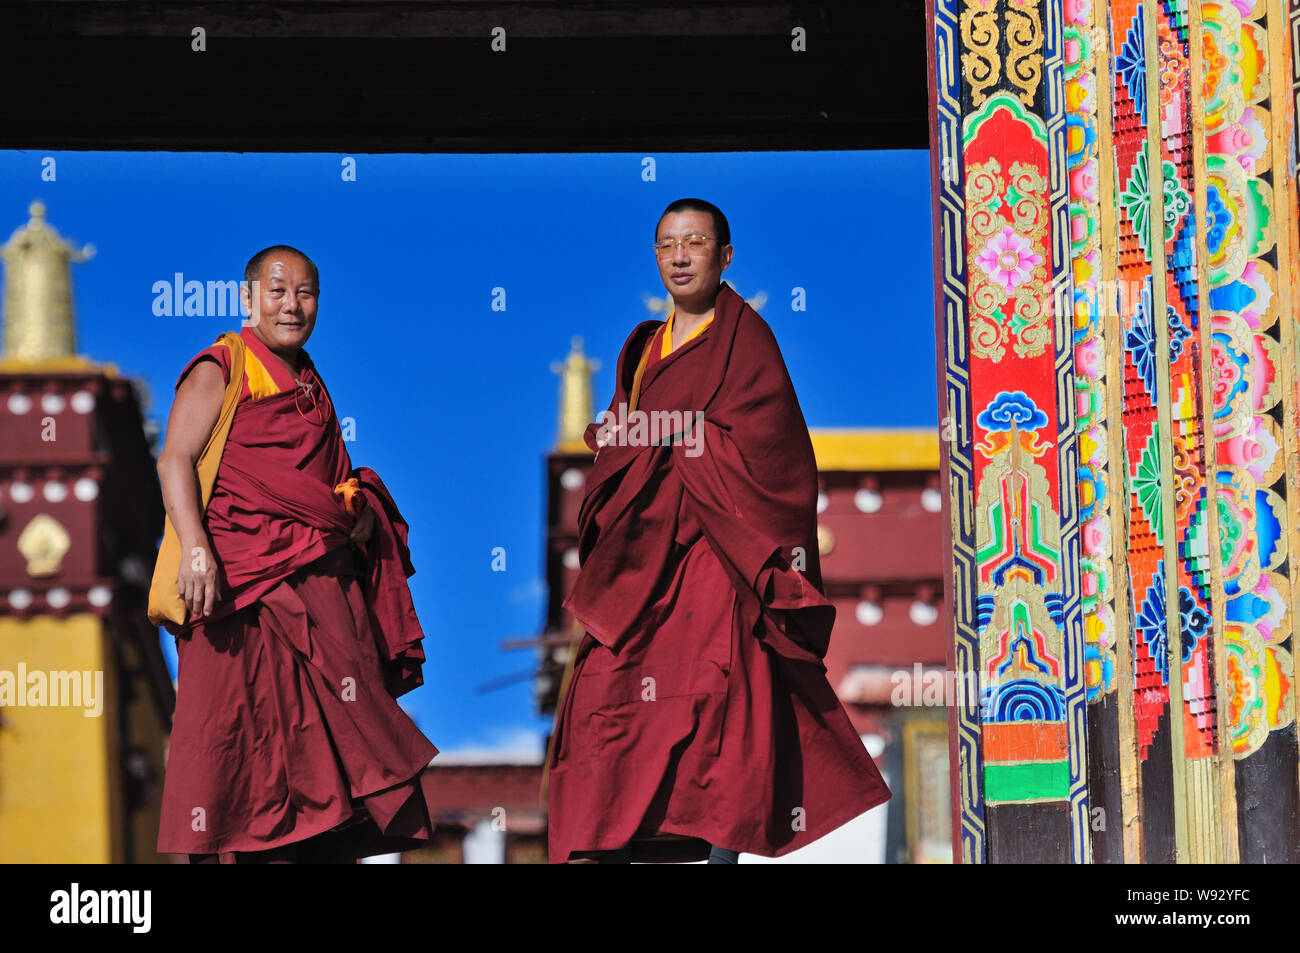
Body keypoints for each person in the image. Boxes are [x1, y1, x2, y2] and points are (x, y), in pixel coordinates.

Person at [546, 199, 892, 864]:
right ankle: (608, 840)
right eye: (668, 244)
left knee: (715, 701)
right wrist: (651, 442)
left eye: (695, 243)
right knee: (603, 696)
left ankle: (716, 851)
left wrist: (687, 443)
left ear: (724, 255)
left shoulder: (746, 339)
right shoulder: (643, 350)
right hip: (641, 558)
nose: (680, 256)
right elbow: (615, 442)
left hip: (713, 550)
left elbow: (778, 452)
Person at [152, 245, 440, 863]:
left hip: (319, 584)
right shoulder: (221, 367)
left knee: (332, 737)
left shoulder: (310, 383)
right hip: (240, 585)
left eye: (305, 292)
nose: (292, 304)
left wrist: (358, 512)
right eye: (278, 291)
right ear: (247, 298)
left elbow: (323, 487)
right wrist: (197, 550)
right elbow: (174, 458)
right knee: (244, 735)